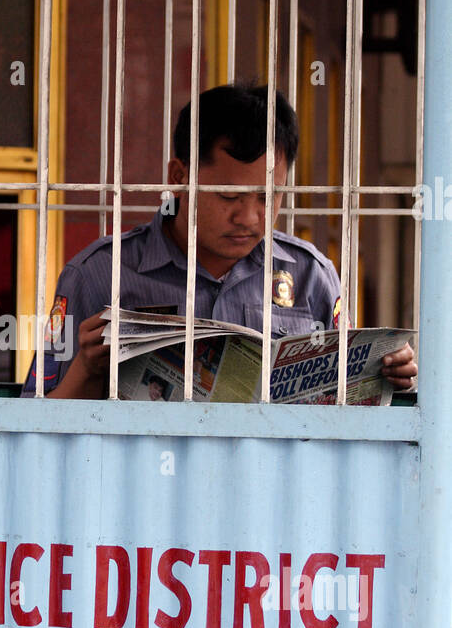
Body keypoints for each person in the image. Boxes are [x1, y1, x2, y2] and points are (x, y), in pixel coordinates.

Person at [21, 82, 417, 399]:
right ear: (178, 177)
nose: (249, 217)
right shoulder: (98, 275)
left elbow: (352, 409)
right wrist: (87, 371)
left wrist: (390, 375)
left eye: (268, 196)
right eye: (229, 196)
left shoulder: (312, 276)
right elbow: (36, 427)